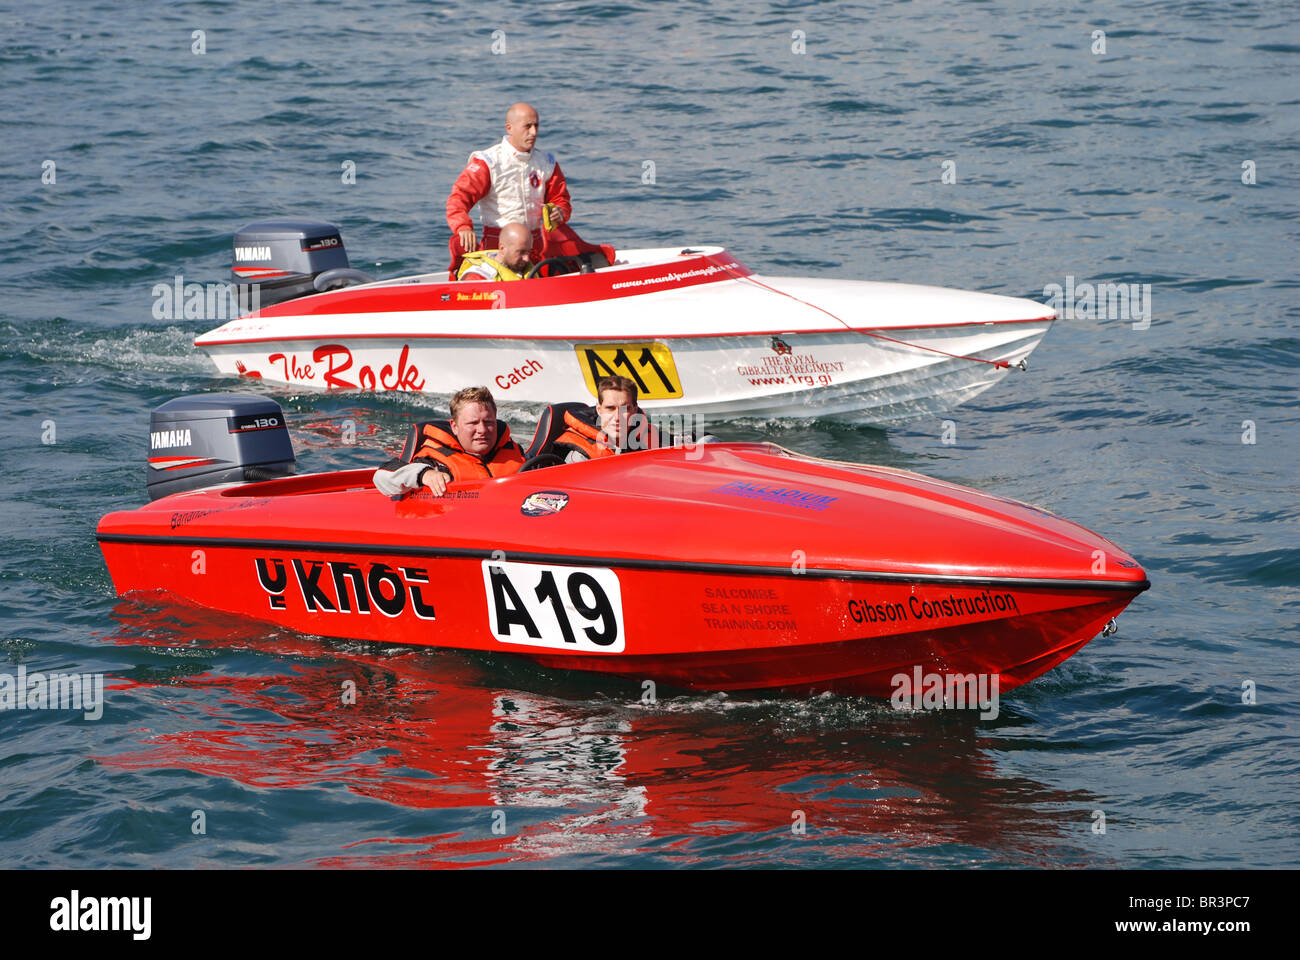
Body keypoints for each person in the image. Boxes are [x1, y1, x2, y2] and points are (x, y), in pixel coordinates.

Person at [446, 103, 571, 265]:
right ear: (509, 128)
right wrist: (463, 227)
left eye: (536, 126)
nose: (533, 132)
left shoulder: (547, 162)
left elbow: (561, 199)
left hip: (536, 247)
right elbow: (458, 199)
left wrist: (559, 212)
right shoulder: (488, 162)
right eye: (527, 126)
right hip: (498, 248)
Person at [373, 386, 524, 497]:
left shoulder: (513, 451)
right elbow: (381, 477)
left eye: (489, 422)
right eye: (473, 423)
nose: (483, 430)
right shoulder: (435, 462)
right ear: (455, 426)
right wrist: (424, 475)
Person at [552, 376, 669, 462]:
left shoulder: (653, 440)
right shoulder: (579, 458)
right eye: (610, 408)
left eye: (625, 409)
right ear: (599, 409)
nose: (617, 417)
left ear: (634, 410)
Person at [456, 222, 533, 281]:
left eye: (528, 252)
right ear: (502, 248)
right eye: (521, 252)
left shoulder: (530, 270)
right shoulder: (478, 276)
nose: (527, 259)